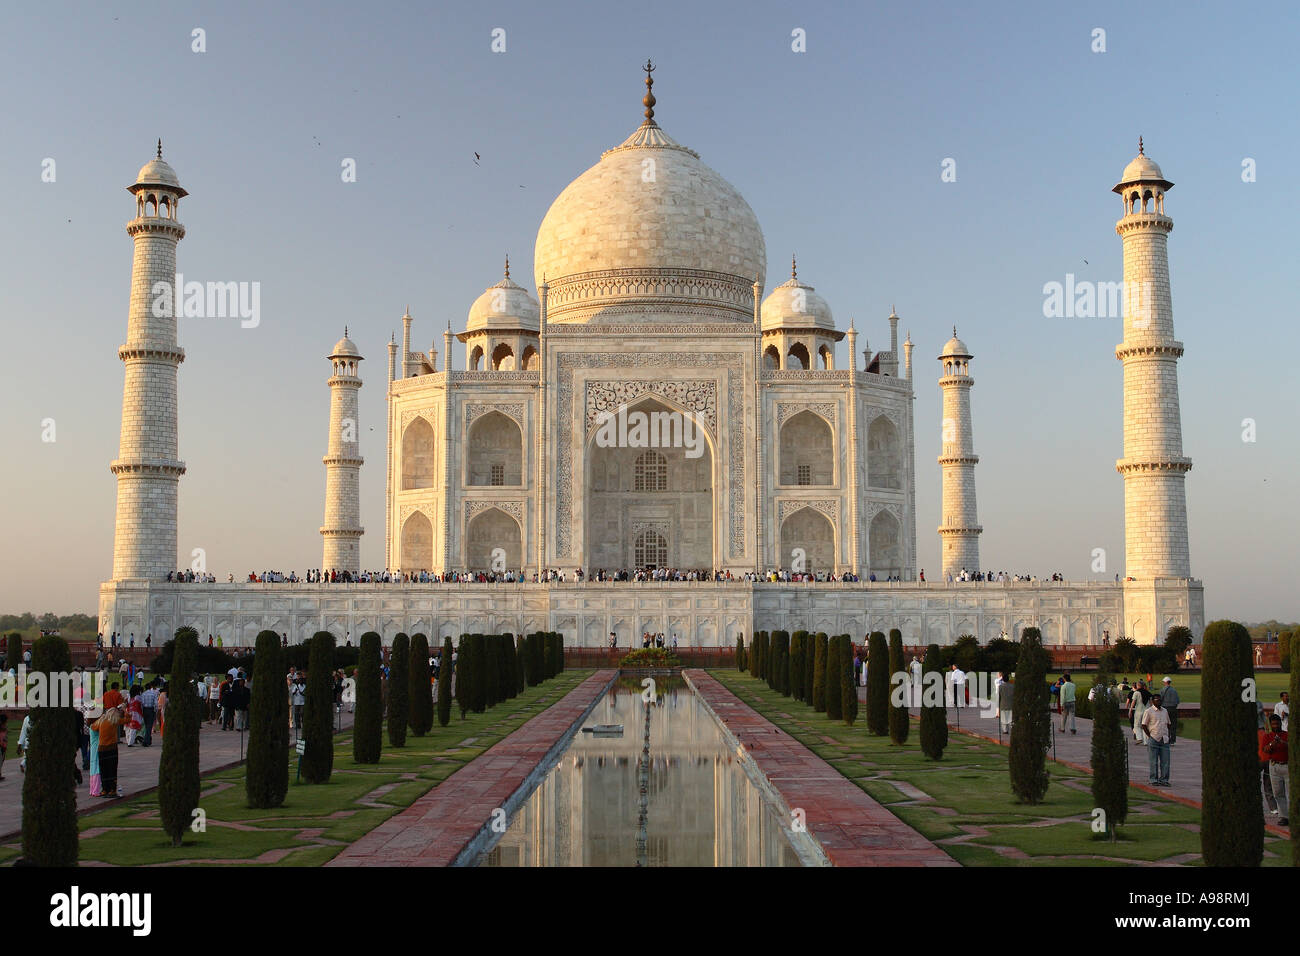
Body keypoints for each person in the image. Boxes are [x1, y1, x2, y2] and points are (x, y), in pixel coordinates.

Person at [1261, 713, 1289, 826]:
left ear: (1280, 723)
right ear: (1271, 725)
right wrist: (1273, 744)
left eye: (1277, 723)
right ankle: (1284, 817)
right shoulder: (1267, 737)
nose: (1275, 725)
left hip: (1287, 765)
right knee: (1278, 793)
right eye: (1273, 724)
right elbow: (1265, 750)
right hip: (1274, 766)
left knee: (1291, 792)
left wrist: (1282, 742)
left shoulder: (1286, 735)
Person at [91, 705, 124, 797]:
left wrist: (101, 719)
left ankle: (105, 789)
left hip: (101, 749)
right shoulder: (115, 721)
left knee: (103, 770)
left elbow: (93, 727)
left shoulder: (101, 721)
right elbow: (128, 719)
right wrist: (126, 710)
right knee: (112, 770)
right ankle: (112, 790)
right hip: (112, 749)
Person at [1140, 693, 1172, 786]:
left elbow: (1168, 723)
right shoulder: (1149, 711)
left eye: (1160, 700)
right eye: (1157, 700)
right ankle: (1153, 779)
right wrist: (1149, 736)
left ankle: (1164, 780)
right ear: (1152, 701)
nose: (1159, 701)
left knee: (1165, 761)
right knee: (1153, 761)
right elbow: (1144, 725)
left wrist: (1167, 734)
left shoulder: (1165, 711)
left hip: (1164, 739)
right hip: (1154, 738)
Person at [1160, 676, 1181, 744]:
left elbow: (1160, 699)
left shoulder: (1163, 690)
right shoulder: (1174, 690)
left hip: (1165, 709)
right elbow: (1177, 701)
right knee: (1173, 725)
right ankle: (1173, 740)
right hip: (1173, 709)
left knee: (1166, 725)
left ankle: (1167, 739)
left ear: (1165, 682)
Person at [140, 680, 159, 746]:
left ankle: (147, 739)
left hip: (145, 710)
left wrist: (142, 711)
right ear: (150, 687)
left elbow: (141, 704)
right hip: (151, 710)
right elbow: (156, 704)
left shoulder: (143, 694)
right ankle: (146, 741)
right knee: (149, 726)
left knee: (146, 725)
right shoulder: (153, 693)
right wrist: (155, 711)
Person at [0, 713, 7, 780]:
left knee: (2, 760)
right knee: (0, 760)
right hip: (1, 746)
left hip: (4, 745)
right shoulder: (1, 727)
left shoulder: (4, 727)